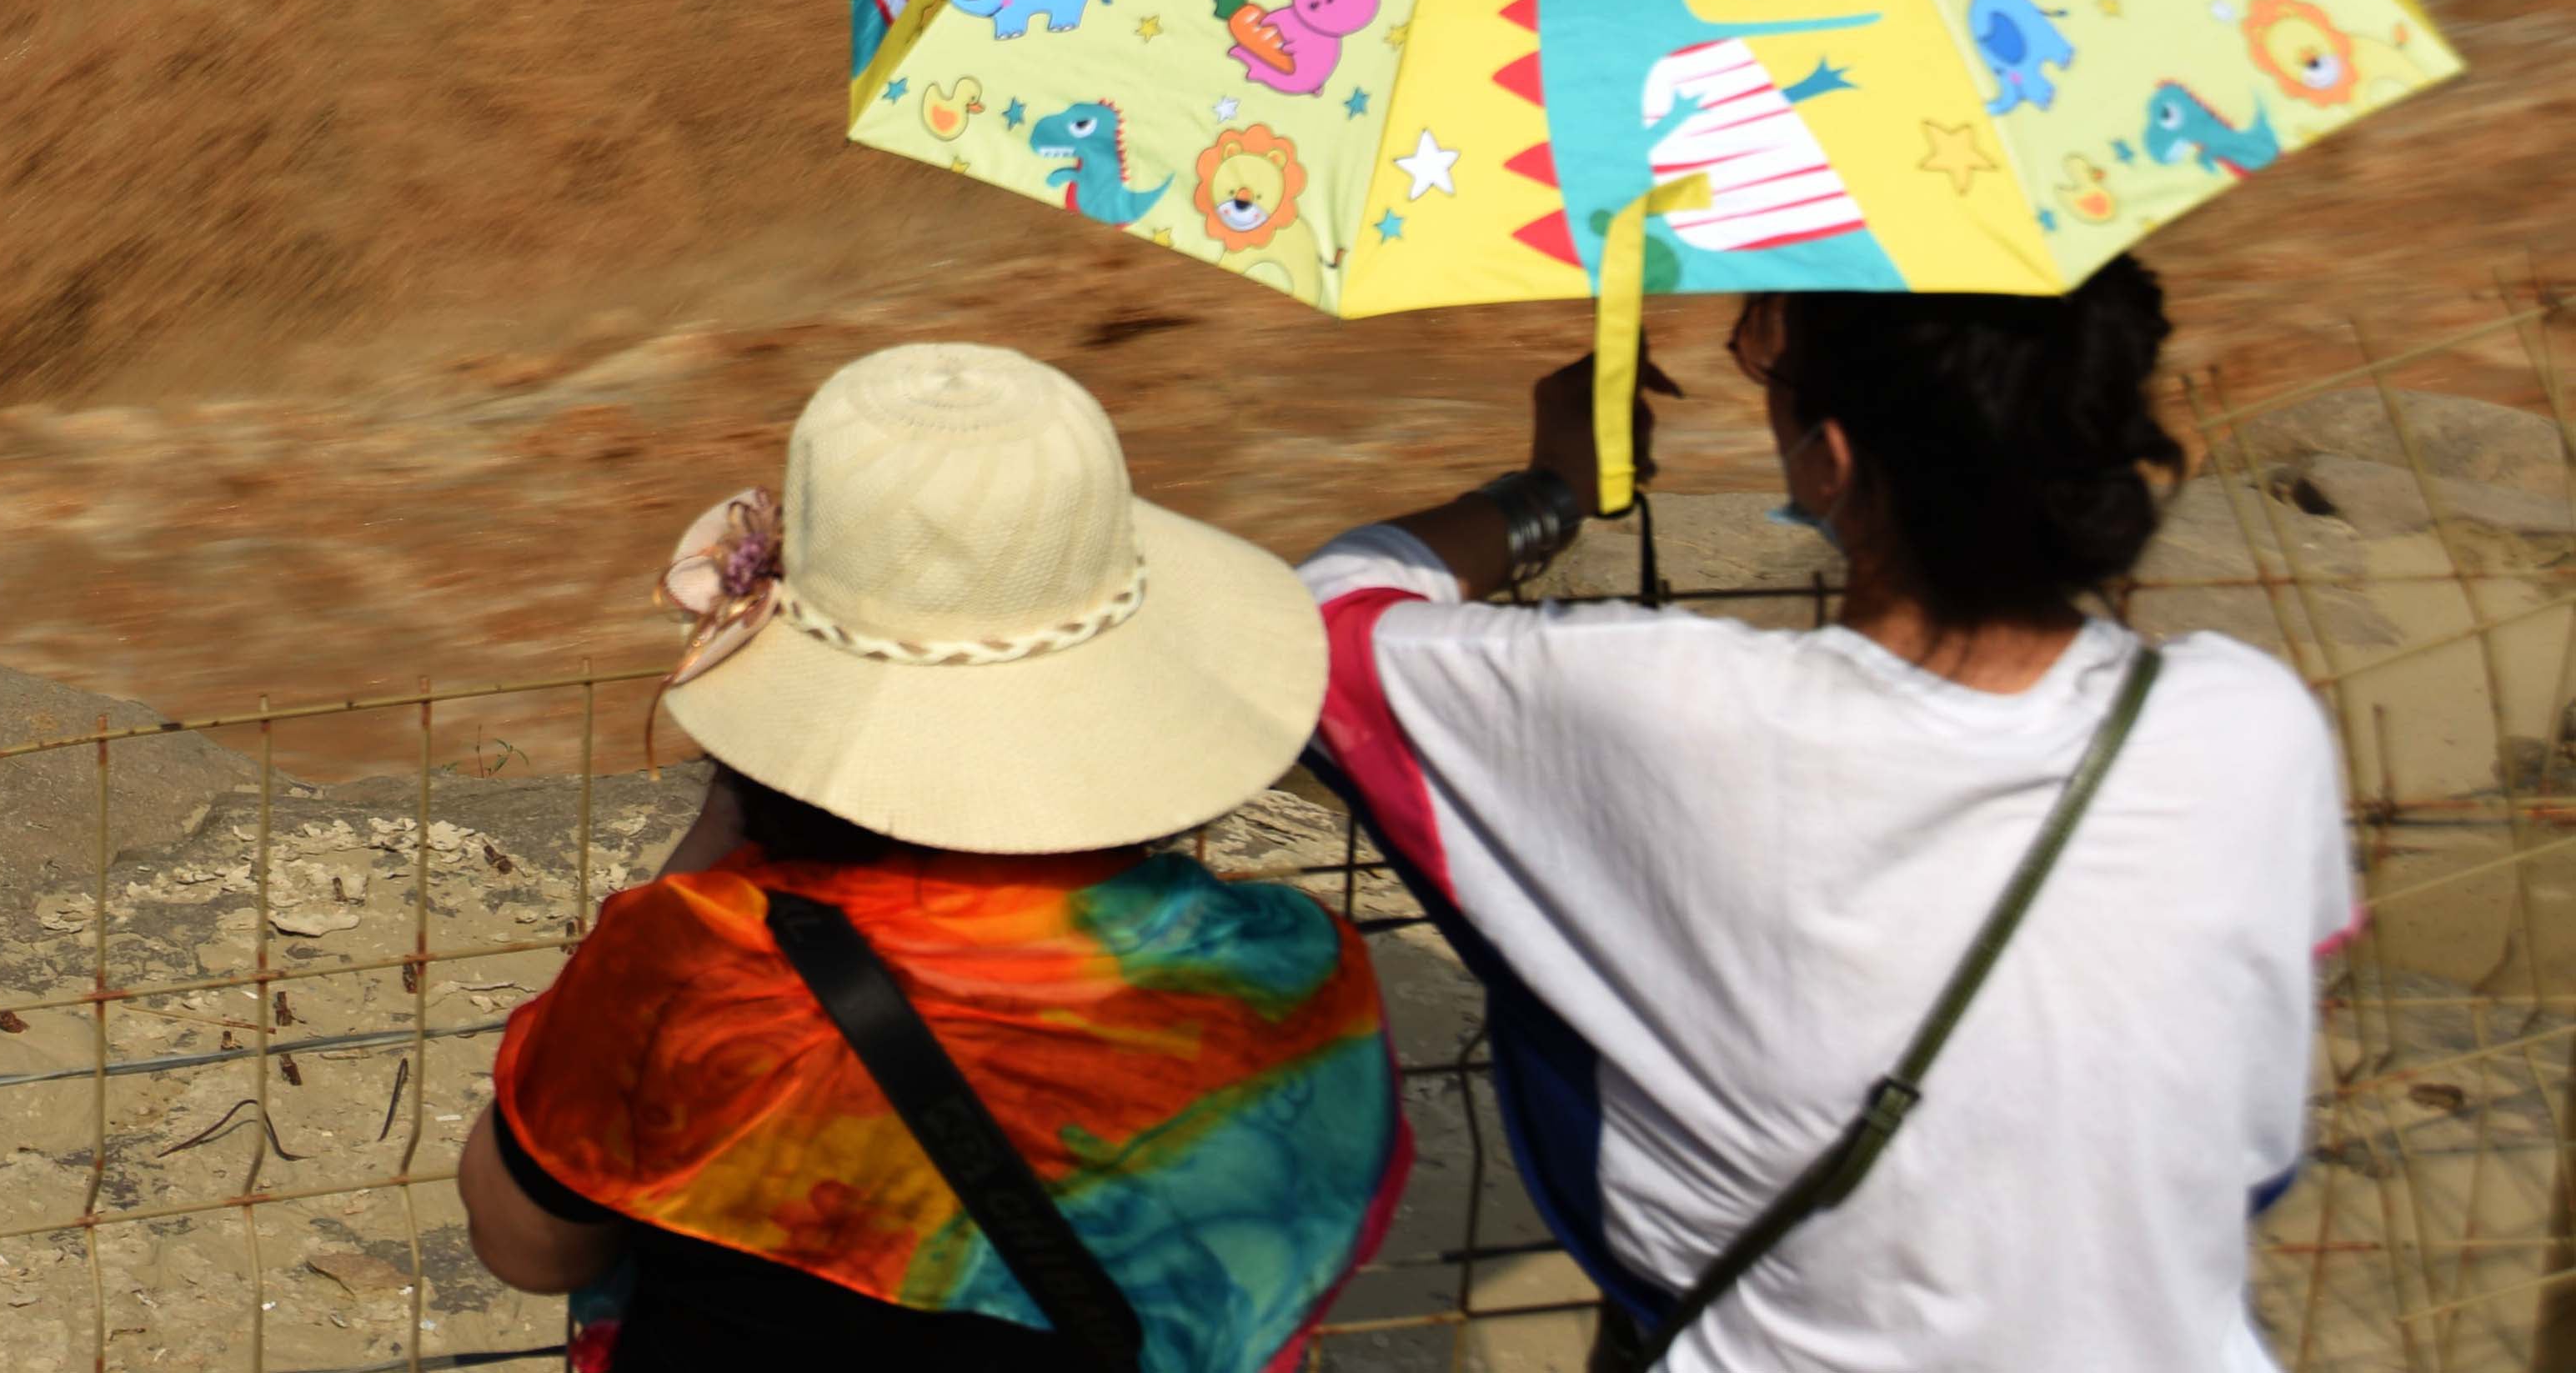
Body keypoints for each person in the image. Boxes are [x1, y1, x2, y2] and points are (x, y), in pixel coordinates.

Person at [1302, 258, 2350, 1369]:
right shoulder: (2245, 721)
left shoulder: (1669, 711)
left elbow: (1325, 617)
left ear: (1831, 457)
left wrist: (1550, 486)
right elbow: (2249, 1133)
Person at [461, 343, 1406, 1370]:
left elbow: (527, 1242)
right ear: (1127, 694)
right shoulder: (1294, 981)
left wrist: (719, 834)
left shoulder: (690, 971)